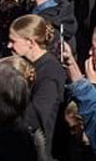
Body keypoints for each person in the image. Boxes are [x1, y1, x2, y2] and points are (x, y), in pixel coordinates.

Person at [6, 15, 64, 153]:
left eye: (13, 41)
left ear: (30, 42)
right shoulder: (24, 63)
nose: (9, 45)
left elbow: (36, 114)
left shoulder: (50, 71)